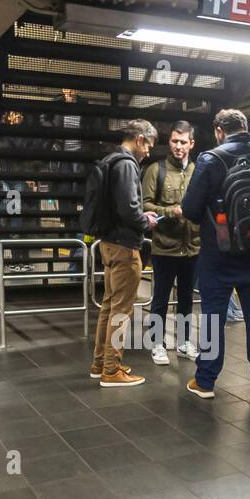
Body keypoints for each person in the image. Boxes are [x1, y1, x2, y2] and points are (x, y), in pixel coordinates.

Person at [180, 109, 250, 398]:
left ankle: (205, 381)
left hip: (218, 253)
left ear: (219, 131)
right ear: (245, 128)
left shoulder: (210, 159)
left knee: (214, 313)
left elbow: (190, 210)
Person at [87, 120, 159, 387]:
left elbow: (123, 206)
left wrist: (140, 214)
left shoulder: (110, 159)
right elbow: (129, 209)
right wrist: (146, 221)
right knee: (121, 310)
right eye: (148, 146)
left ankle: (99, 363)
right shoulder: (127, 164)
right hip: (124, 247)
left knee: (108, 306)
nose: (148, 152)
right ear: (139, 139)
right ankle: (112, 370)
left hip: (108, 243)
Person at [142, 121, 200, 364]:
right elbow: (145, 205)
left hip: (192, 247)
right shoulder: (156, 170)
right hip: (165, 246)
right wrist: (170, 211)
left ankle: (185, 342)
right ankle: (157, 343)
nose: (178, 146)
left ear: (191, 144)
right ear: (170, 142)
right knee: (161, 298)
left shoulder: (199, 171)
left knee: (187, 297)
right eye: (175, 141)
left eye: (183, 142)